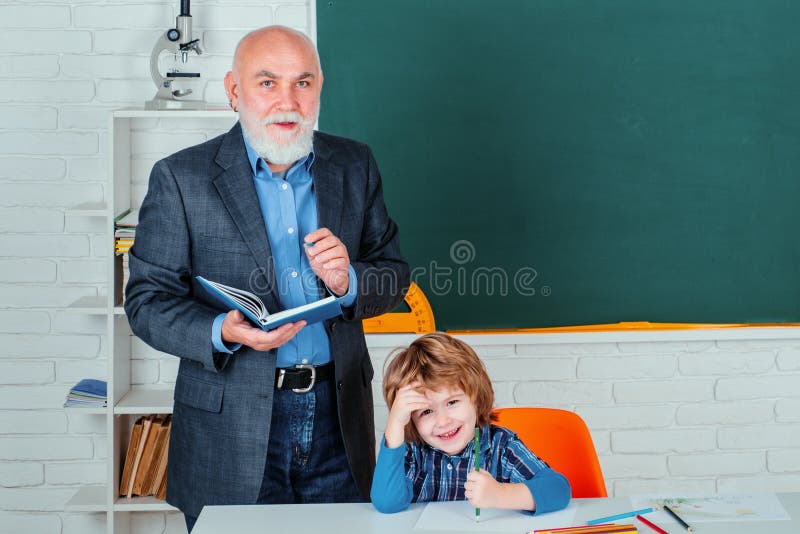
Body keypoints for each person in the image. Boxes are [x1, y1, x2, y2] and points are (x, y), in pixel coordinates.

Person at [124, 25, 410, 531]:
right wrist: (221, 331)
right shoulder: (180, 177)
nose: (288, 100)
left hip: (337, 422)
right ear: (235, 91)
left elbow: (394, 275)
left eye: (302, 83)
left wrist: (350, 283)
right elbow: (147, 302)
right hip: (228, 428)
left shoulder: (354, 164)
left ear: (320, 86)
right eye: (267, 82)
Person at [371, 333, 571, 515]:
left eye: (452, 402)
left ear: (476, 397)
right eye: (426, 411)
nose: (443, 421)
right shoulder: (411, 451)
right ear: (410, 420)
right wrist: (396, 425)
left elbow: (559, 490)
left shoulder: (501, 445)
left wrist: (501, 494)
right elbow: (386, 503)